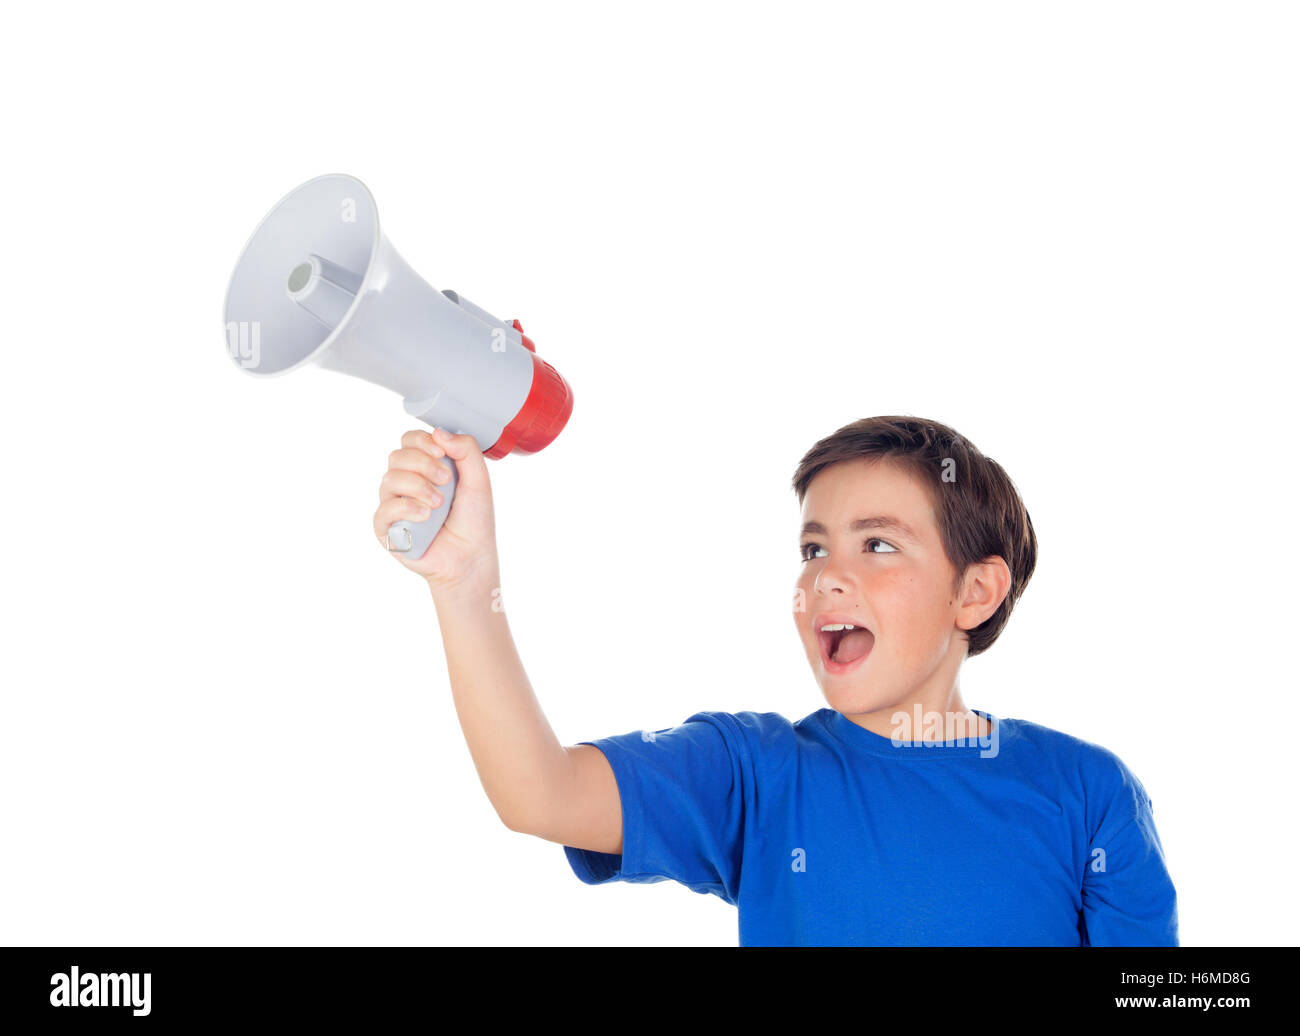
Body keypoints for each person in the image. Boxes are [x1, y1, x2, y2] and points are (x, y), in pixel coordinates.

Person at [373, 415, 1178, 946]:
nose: (828, 577)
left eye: (879, 546)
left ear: (975, 592)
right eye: (813, 549)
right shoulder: (755, 772)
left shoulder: (1086, 791)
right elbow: (539, 794)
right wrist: (464, 582)